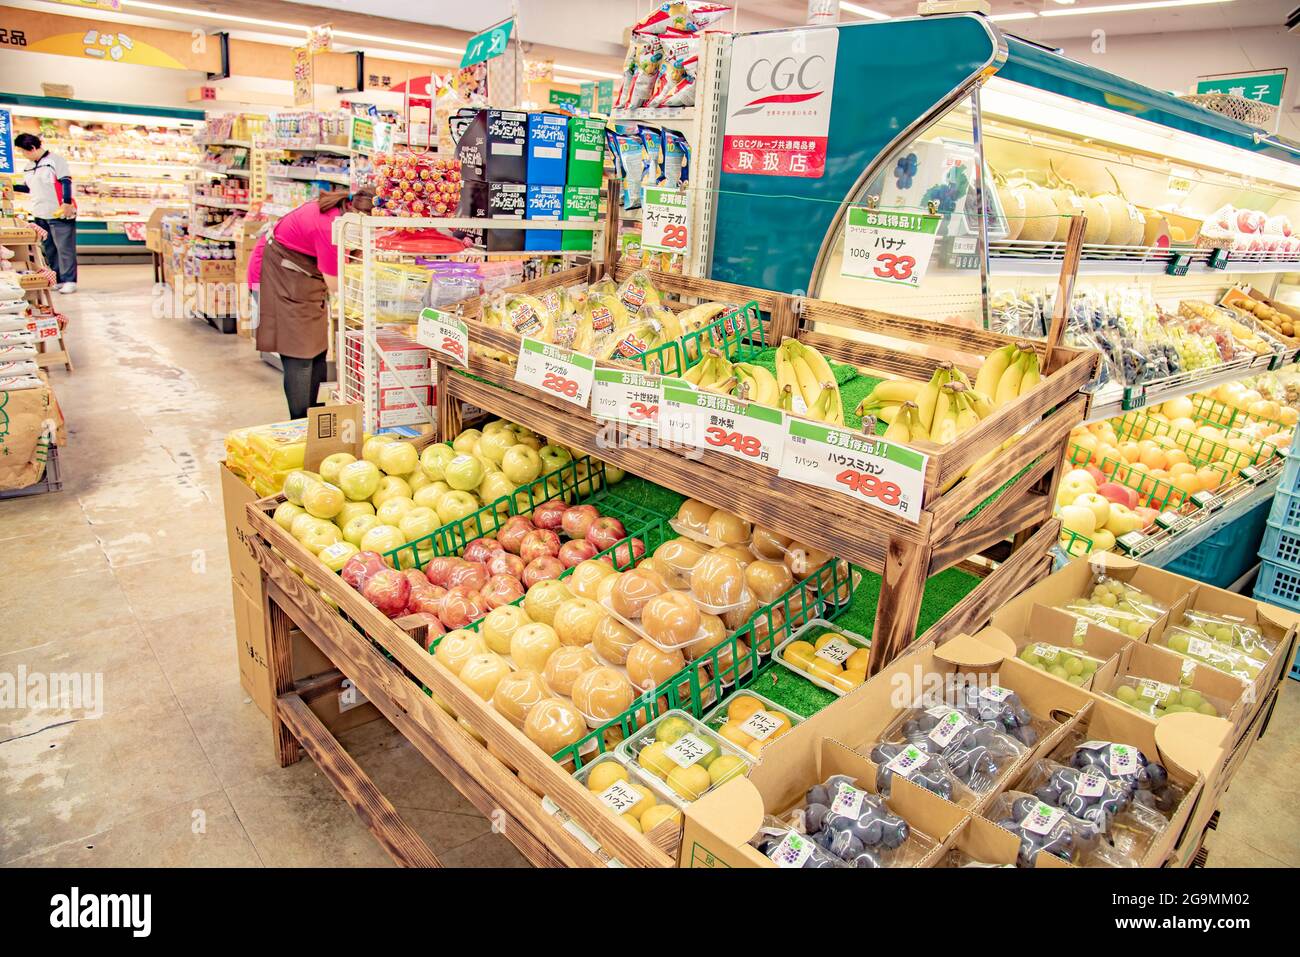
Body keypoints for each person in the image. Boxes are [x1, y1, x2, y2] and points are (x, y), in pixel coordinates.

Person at [248, 188, 373, 419]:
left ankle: (312, 419)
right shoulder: (330, 228)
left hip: (302, 277)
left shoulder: (343, 215)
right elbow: (337, 286)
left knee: (317, 351)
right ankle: (299, 423)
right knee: (300, 352)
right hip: (278, 277)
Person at [13, 133, 78, 293]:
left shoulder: (55, 161)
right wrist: (10, 186)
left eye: (23, 151)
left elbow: (66, 181)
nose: (22, 154)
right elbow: (29, 187)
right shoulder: (28, 166)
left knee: (64, 248)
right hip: (39, 212)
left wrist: (67, 202)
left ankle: (70, 280)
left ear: (33, 148)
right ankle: (59, 279)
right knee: (49, 248)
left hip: (58, 212)